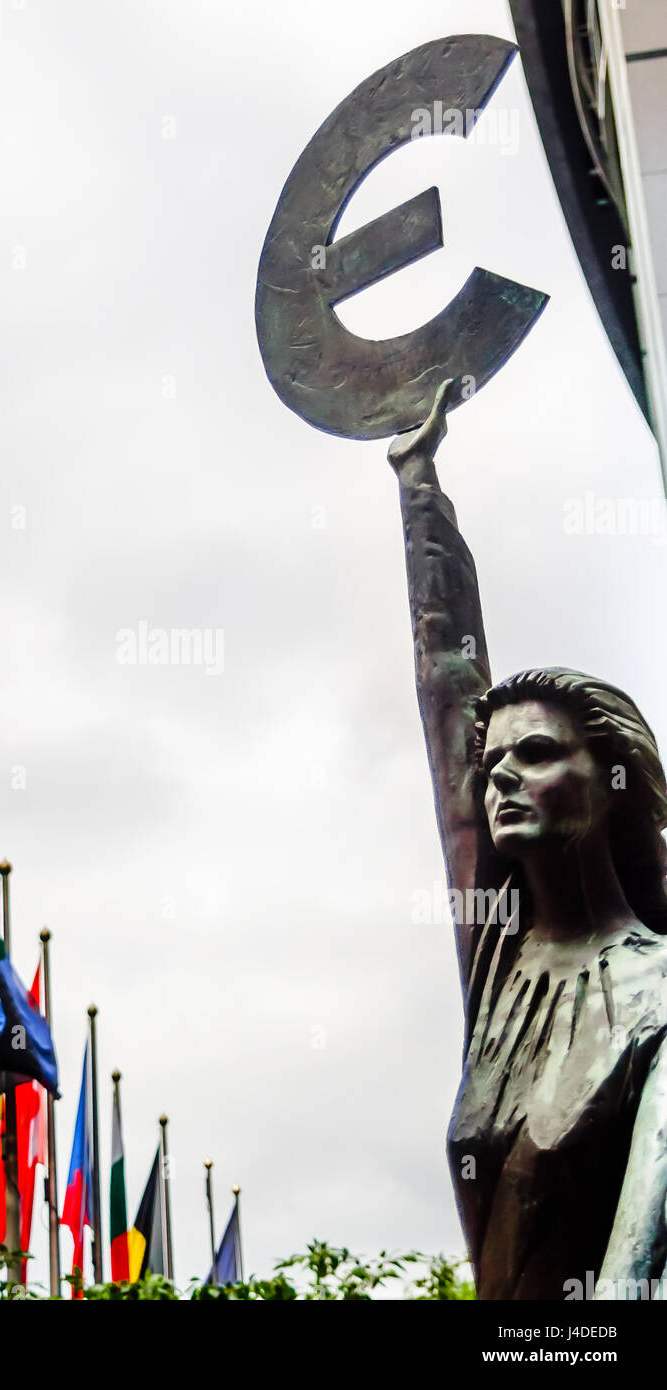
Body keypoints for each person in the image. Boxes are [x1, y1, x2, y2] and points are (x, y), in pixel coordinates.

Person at [389, 380, 667, 1300]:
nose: (500, 774)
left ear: (615, 781)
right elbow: (446, 678)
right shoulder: (498, 957)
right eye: (492, 759)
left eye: (537, 754)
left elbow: (633, 1270)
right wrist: (417, 487)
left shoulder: (658, 988)